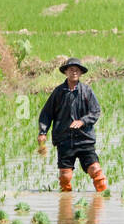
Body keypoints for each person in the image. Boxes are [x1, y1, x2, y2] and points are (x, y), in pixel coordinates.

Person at [37, 57, 107, 193]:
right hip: (64, 140)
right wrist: (42, 132)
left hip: (84, 139)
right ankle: (66, 203)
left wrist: (82, 121)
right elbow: (46, 113)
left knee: (96, 171)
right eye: (71, 69)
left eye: (77, 70)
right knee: (65, 177)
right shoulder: (58, 93)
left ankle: (103, 199)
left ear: (81, 73)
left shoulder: (87, 91)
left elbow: (95, 111)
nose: (74, 72)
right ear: (66, 73)